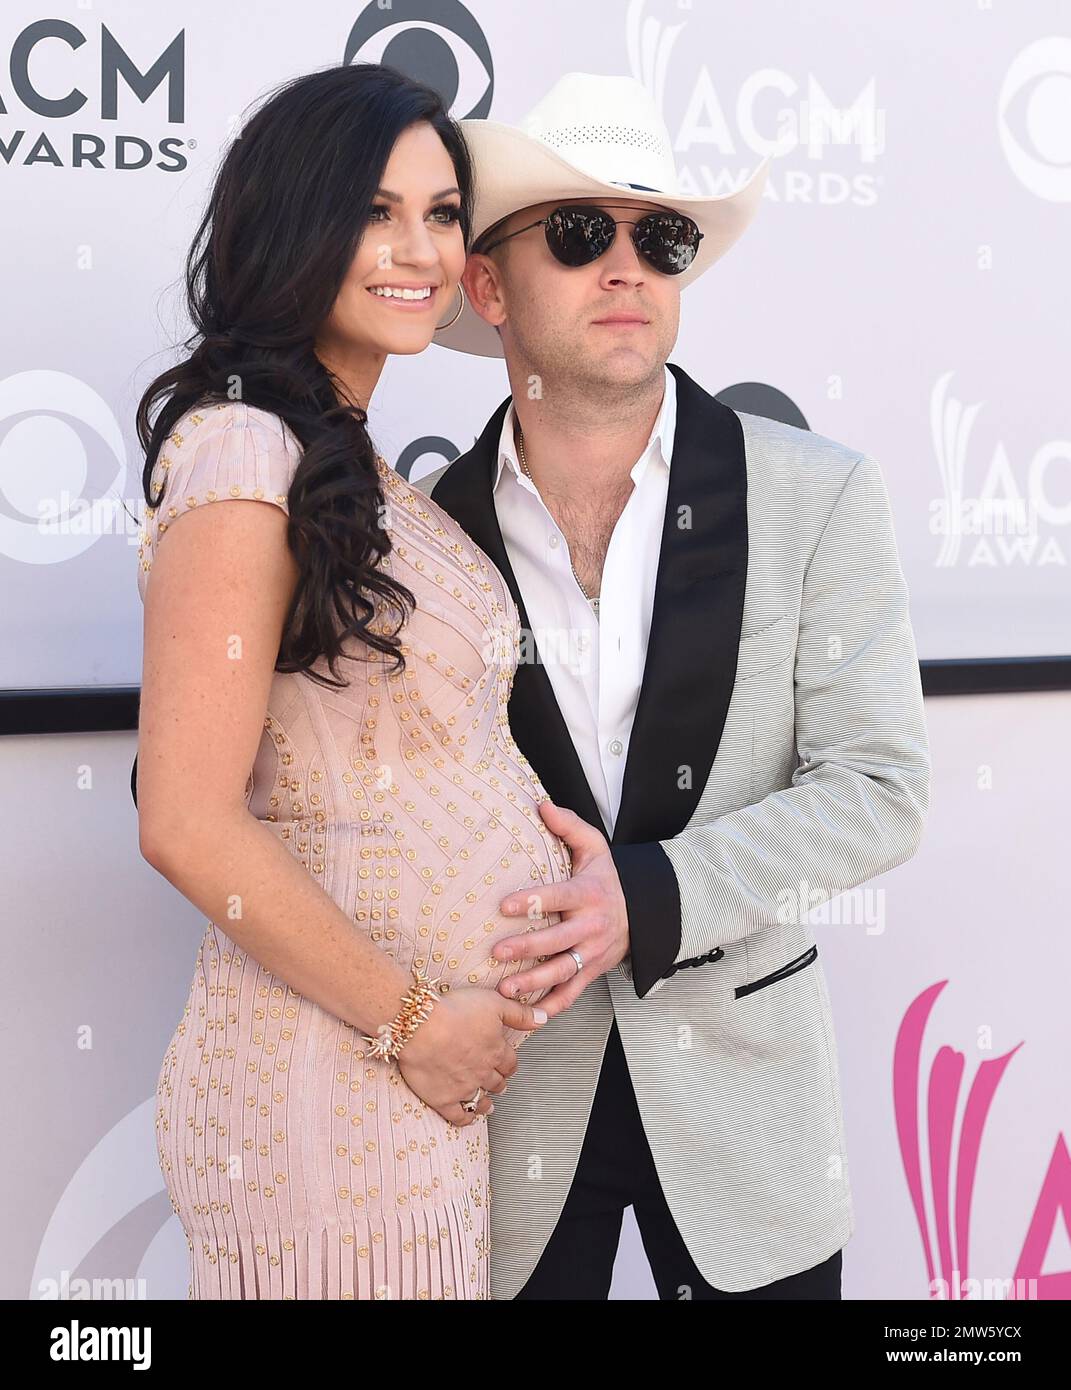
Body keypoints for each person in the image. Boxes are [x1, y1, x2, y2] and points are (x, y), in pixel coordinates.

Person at [414, 71, 932, 1300]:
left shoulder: (820, 495)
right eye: (582, 232)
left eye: (665, 238)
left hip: (747, 1097)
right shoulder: (420, 536)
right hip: (507, 1110)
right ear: (487, 285)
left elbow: (881, 789)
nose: (628, 266)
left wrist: (648, 897)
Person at [133, 63, 571, 1301]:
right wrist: (418, 1021)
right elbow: (183, 816)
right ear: (297, 220)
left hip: (403, 1082)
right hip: (336, 1074)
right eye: (376, 210)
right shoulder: (241, 447)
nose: (418, 249)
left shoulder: (346, 455)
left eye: (442, 214)